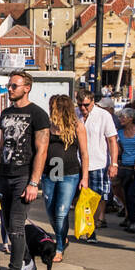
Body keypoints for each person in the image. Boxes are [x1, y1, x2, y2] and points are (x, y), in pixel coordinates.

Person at [0, 70, 49, 270]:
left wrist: (34, 182)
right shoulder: (5, 113)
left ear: (27, 88)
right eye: (9, 85)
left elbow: (42, 150)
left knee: (16, 225)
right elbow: (1, 146)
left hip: (24, 175)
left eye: (14, 86)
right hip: (5, 175)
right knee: (8, 224)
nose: (9, 89)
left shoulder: (38, 114)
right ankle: (26, 261)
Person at [43, 95, 88, 260]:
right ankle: (62, 235)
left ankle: (59, 247)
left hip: (70, 172)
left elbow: (84, 154)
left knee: (61, 211)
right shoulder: (48, 126)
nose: (51, 110)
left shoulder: (77, 127)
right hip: (49, 172)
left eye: (53, 107)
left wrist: (85, 178)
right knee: (50, 209)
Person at [76, 89, 118, 232]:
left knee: (99, 194)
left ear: (93, 102)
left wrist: (114, 163)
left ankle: (99, 219)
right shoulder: (75, 114)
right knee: (81, 195)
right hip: (78, 162)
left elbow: (112, 140)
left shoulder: (104, 115)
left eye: (86, 105)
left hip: (98, 161)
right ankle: (85, 222)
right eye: (80, 104)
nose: (83, 108)